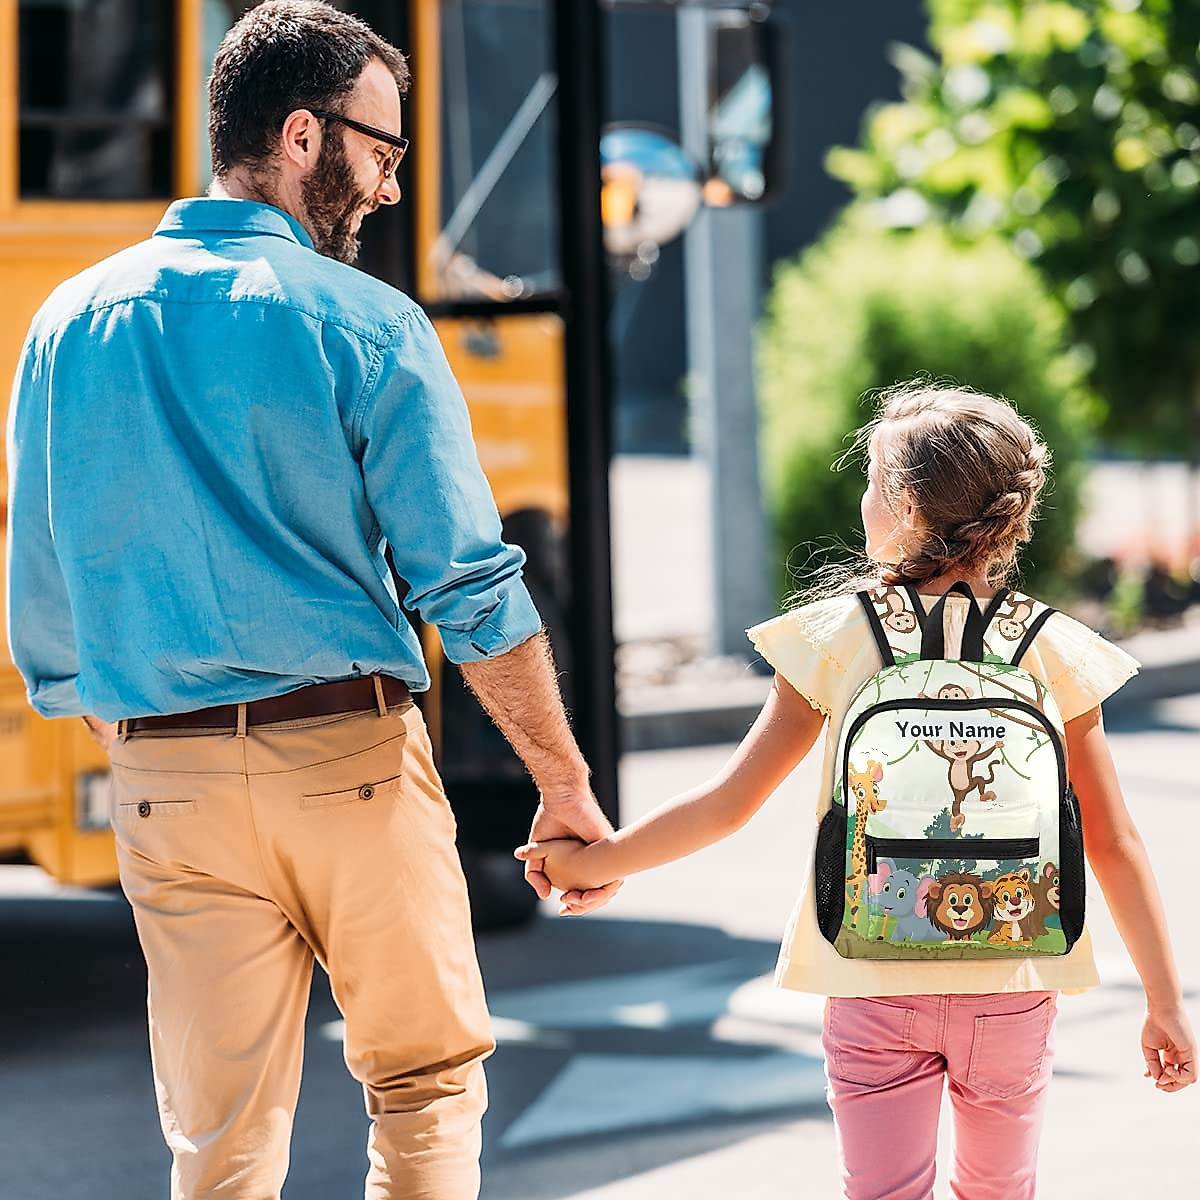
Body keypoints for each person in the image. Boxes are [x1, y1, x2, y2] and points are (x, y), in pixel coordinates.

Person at [6, 3, 617, 1197]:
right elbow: (469, 584)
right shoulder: (368, 323)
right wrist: (561, 784)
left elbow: (44, 578)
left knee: (219, 1138)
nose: (388, 187)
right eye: (382, 151)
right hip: (346, 760)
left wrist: (138, 734)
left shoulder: (65, 323)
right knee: (425, 1085)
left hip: (163, 782)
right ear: (301, 134)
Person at [519, 383, 1197, 1198]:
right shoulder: (1048, 648)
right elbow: (1113, 841)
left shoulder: (839, 636)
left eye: (875, 480)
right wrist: (1164, 1002)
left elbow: (729, 801)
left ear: (907, 505)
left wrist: (590, 864)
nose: (866, 497)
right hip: (1012, 981)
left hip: (870, 974)